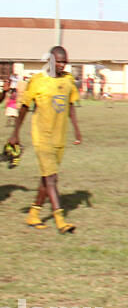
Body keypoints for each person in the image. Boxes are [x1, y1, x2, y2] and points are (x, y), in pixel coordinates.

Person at [9, 46, 82, 232]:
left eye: (64, 61)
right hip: (42, 137)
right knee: (52, 178)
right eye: (58, 61)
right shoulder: (37, 81)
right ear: (50, 60)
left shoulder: (68, 81)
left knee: (46, 178)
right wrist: (15, 133)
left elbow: (71, 105)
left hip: (60, 137)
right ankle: (60, 219)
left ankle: (33, 214)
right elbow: (25, 107)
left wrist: (77, 130)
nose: (62, 64)